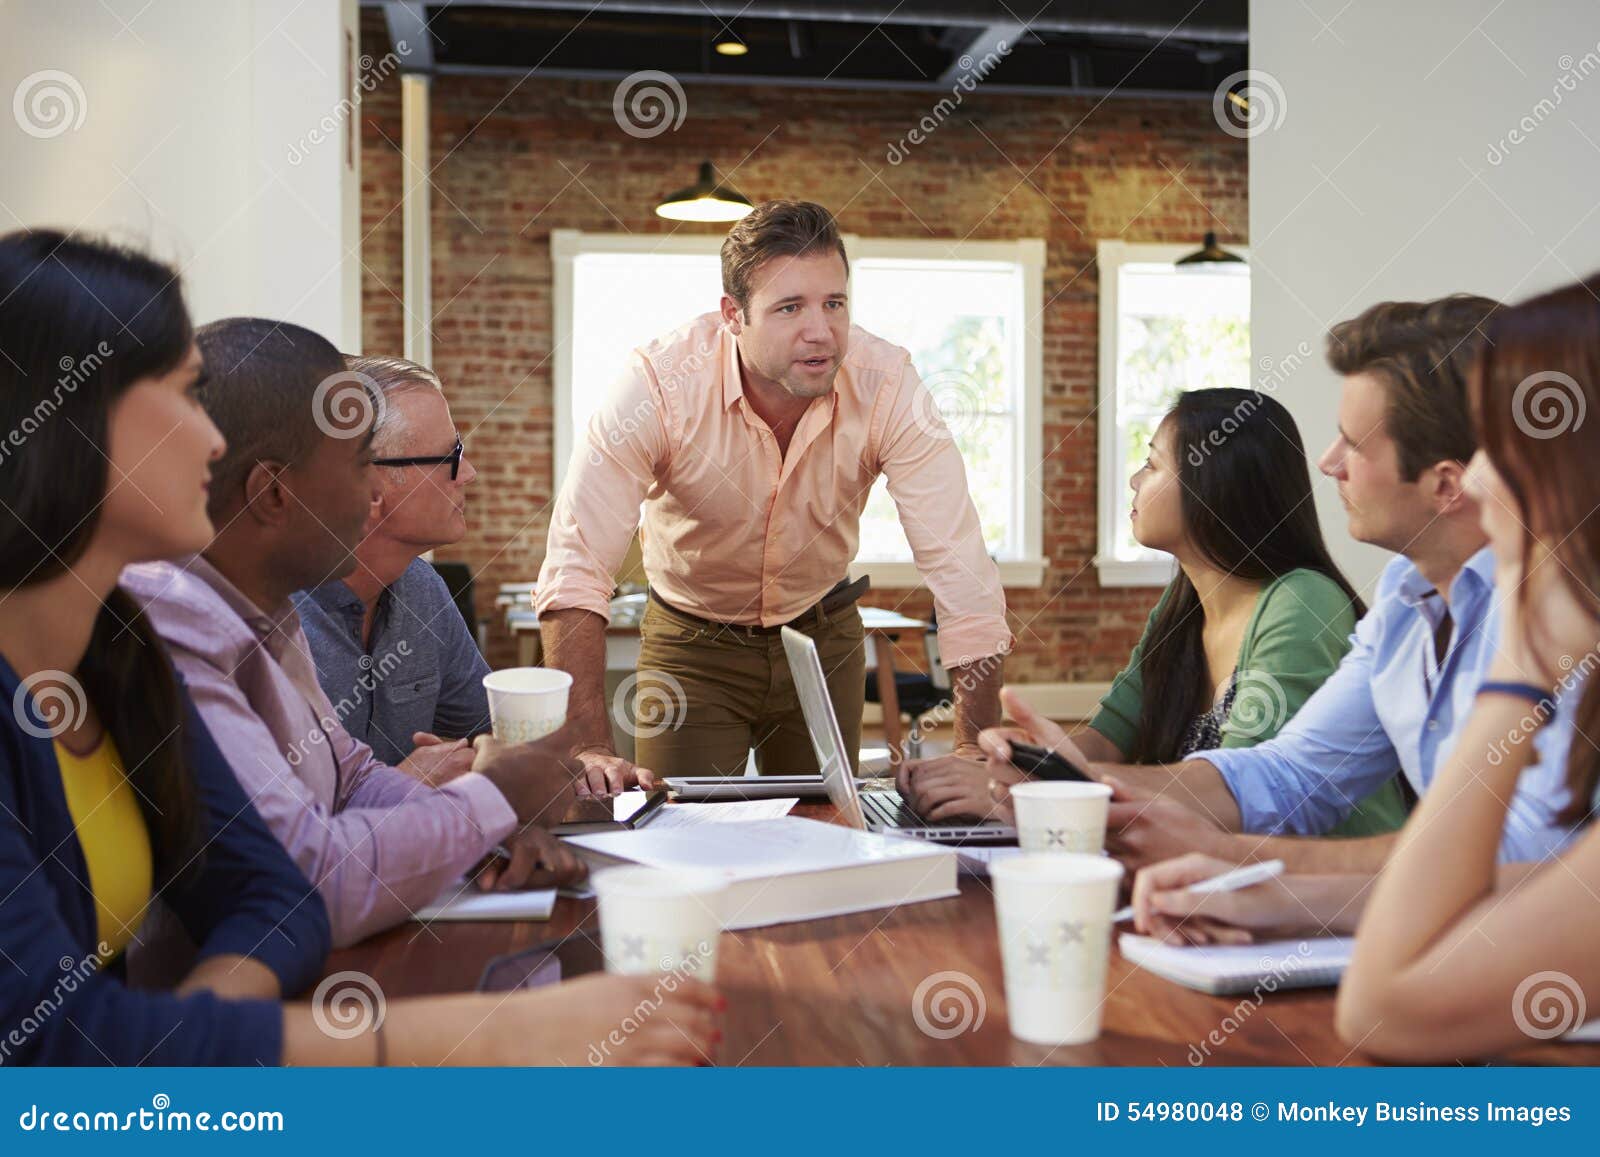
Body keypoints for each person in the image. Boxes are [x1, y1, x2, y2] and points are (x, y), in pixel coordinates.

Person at [0, 229, 717, 1066]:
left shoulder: (118, 646)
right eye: (184, 392)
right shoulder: (160, 624)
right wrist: (495, 1036)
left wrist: (186, 1041)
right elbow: (57, 1050)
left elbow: (278, 892)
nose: (212, 438)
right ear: (69, 418)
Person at [964, 294, 1580, 873]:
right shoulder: (1404, 595)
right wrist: (1073, 782)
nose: (1328, 461)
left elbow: (1522, 855)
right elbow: (1296, 773)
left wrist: (1245, 865)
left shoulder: (1557, 613)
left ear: (1447, 485)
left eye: (1356, 444)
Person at [122, 318, 586, 950]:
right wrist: (491, 798)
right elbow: (299, 885)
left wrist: (478, 825)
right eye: (355, 466)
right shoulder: (176, 624)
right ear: (275, 494)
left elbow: (351, 776)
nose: (369, 493)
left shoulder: (266, 606)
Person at [536, 200, 1013, 793]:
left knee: (825, 838)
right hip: (692, 644)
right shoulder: (659, 385)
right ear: (733, 315)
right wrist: (585, 743)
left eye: (833, 303)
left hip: (822, 634)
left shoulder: (888, 385)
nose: (820, 331)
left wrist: (973, 746)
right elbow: (577, 566)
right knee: (685, 841)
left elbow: (960, 566)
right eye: (790, 307)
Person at [901, 387, 1407, 836]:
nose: (1134, 480)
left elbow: (1240, 791)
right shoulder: (1183, 600)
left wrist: (1039, 787)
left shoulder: (1300, 601)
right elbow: (1109, 737)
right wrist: (1031, 761)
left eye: (1153, 464)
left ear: (1213, 485)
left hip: (1317, 901)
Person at [293, 354, 489, 780]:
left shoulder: (423, 589)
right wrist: (405, 789)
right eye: (450, 456)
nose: (468, 473)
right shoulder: (269, 621)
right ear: (370, 489)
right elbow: (270, 831)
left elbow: (489, 735)